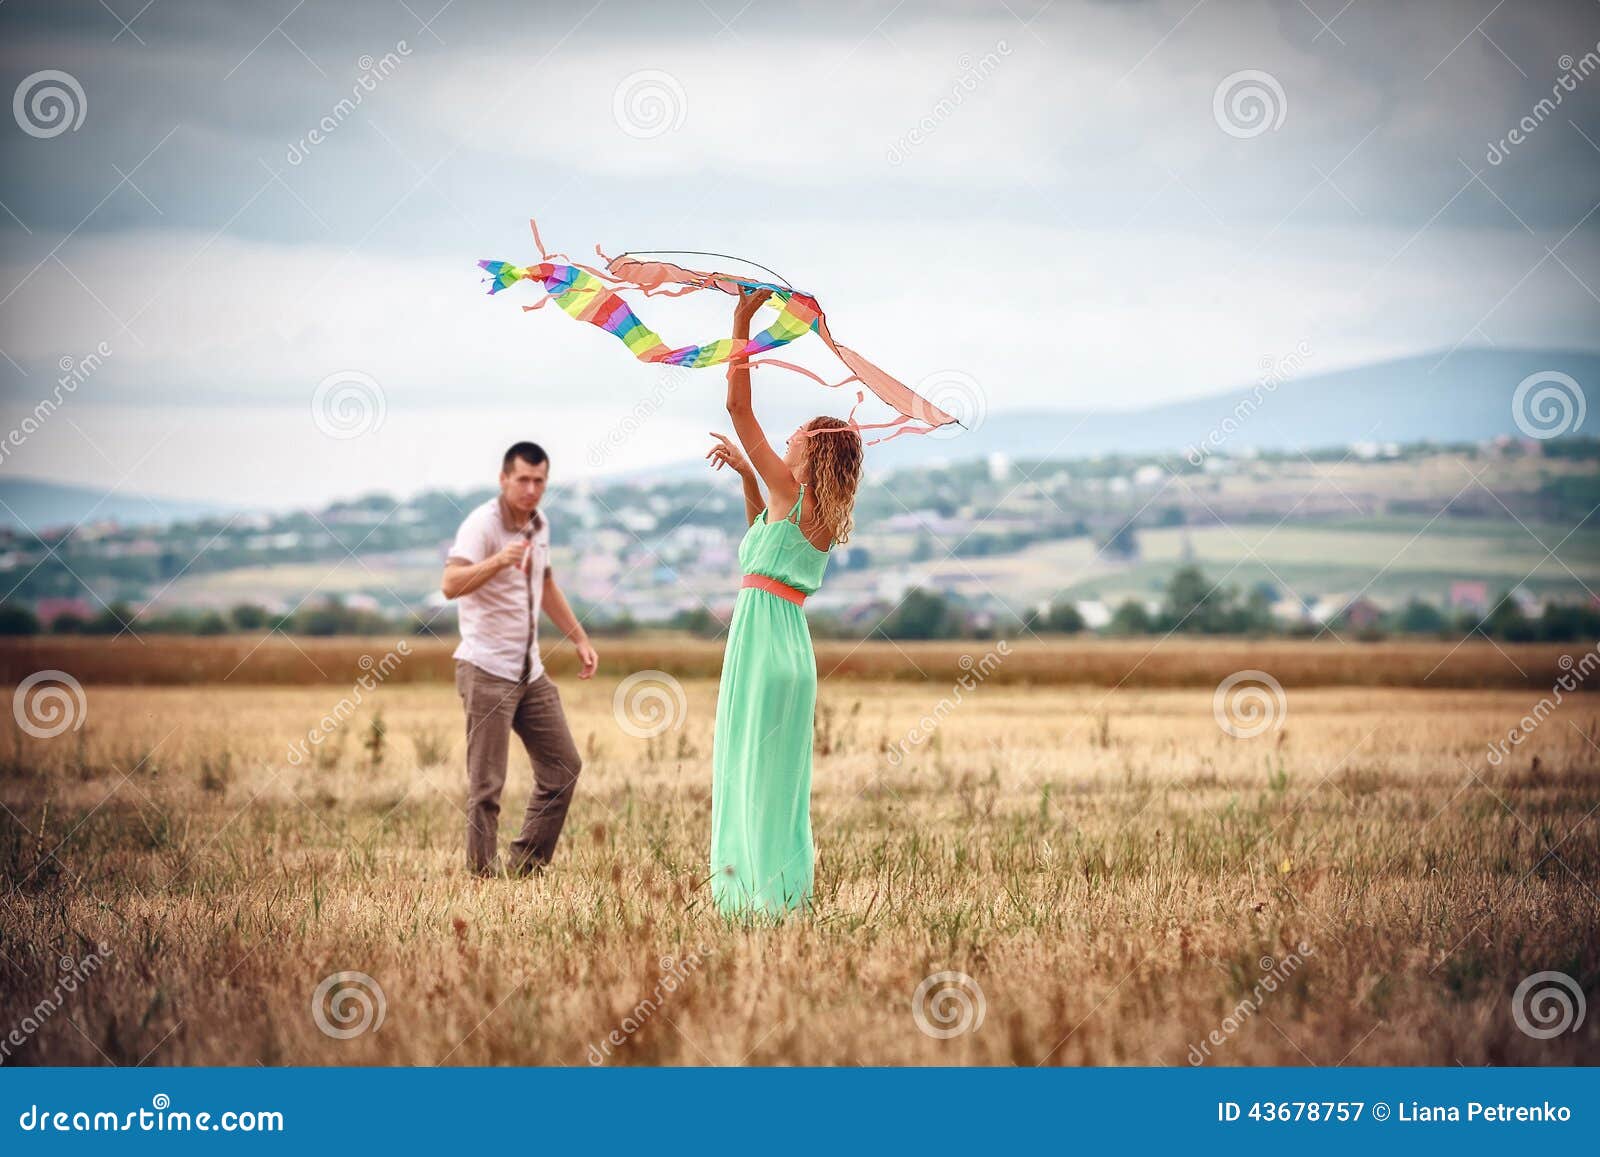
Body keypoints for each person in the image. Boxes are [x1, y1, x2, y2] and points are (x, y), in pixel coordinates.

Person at [704, 287, 864, 919]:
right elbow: (760, 541)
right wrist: (748, 476)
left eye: (795, 435)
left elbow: (737, 407)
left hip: (761, 646)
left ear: (809, 454)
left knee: (745, 769)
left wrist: (740, 322)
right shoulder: (806, 509)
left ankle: (748, 900)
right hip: (788, 644)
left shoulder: (789, 491)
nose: (787, 438)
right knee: (777, 782)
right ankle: (780, 896)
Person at [440, 441, 599, 877]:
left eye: (539, 481)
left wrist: (579, 638)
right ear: (504, 479)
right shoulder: (482, 525)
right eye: (523, 480)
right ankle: (481, 878)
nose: (531, 489)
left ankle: (525, 866)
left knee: (563, 768)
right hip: (485, 669)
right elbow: (450, 585)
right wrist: (497, 561)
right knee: (487, 786)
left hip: (530, 670)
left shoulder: (540, 524)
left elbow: (545, 584)